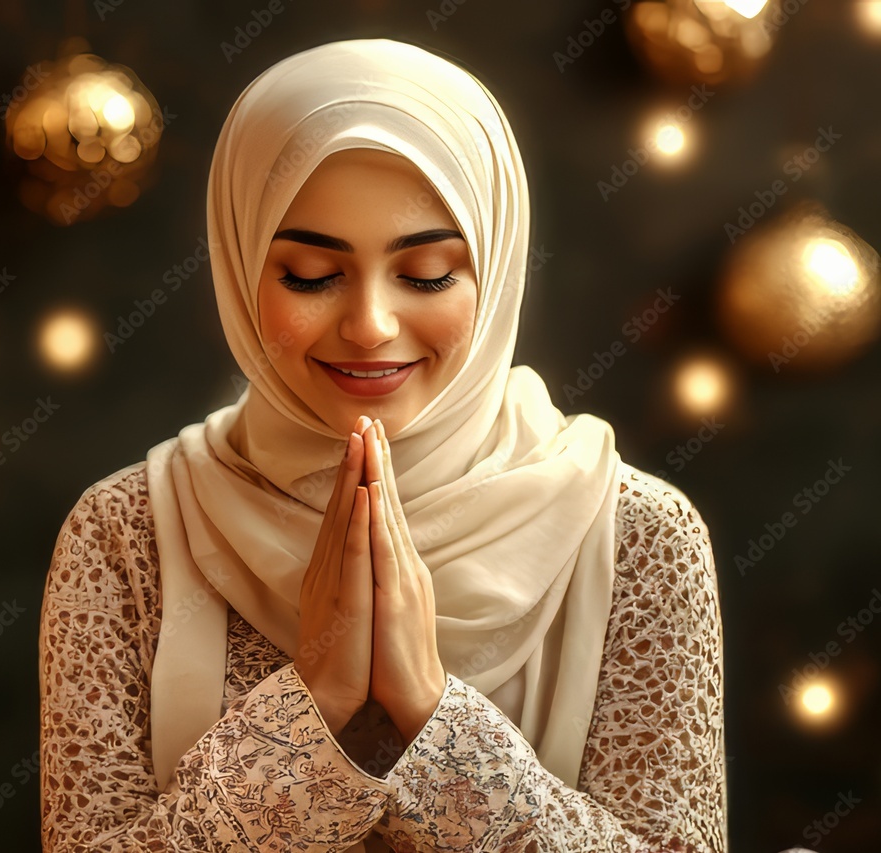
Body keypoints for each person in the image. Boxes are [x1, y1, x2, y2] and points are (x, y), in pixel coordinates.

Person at [39, 39, 727, 852]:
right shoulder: (128, 533)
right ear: (238, 262)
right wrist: (314, 702)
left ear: (496, 269)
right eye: (308, 273)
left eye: (429, 273)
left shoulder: (638, 534)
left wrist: (435, 716)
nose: (370, 326)